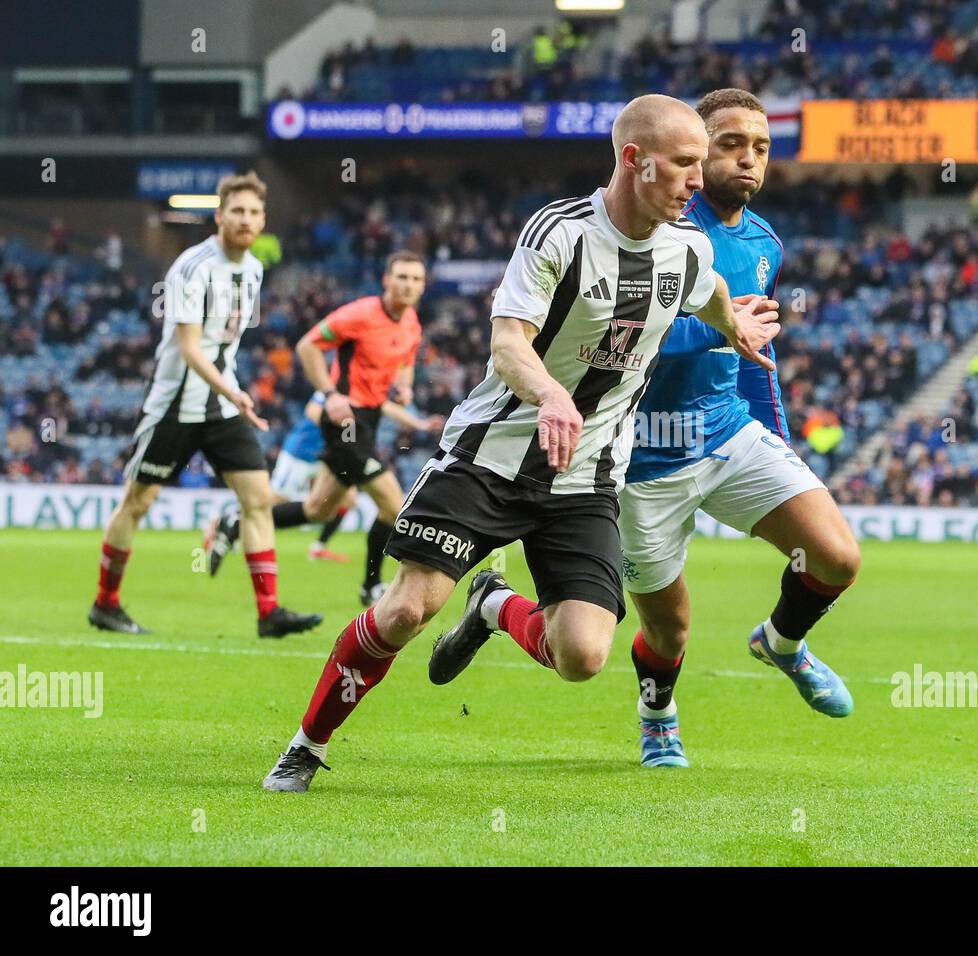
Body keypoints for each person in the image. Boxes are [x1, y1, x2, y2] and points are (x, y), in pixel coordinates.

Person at [261, 93, 779, 792]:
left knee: (583, 656)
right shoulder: (559, 231)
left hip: (587, 477)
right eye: (684, 163)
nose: (698, 179)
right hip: (493, 457)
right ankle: (307, 744)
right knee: (408, 608)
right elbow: (508, 342)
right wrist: (551, 393)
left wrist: (733, 328)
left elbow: (709, 287)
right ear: (634, 160)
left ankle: (495, 607)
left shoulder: (687, 247)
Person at [619, 89, 861, 767]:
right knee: (669, 631)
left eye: (759, 146)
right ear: (695, 152)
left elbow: (755, 349)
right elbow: (623, 342)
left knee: (836, 556)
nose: (747, 158)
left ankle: (781, 644)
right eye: (730, 143)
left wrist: (774, 435)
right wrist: (720, 329)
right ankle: (658, 715)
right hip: (645, 458)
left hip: (727, 433)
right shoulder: (654, 229)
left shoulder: (763, 242)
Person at [89, 171, 322, 638]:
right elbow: (192, 348)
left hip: (221, 405)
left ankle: (269, 612)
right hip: (176, 402)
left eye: (254, 212)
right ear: (219, 216)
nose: (246, 219)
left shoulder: (253, 269)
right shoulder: (192, 268)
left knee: (257, 500)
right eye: (237, 211)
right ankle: (105, 603)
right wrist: (234, 390)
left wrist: (231, 392)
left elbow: (224, 343)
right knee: (138, 502)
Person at [209, 251, 427, 606]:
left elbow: (406, 360)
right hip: (345, 421)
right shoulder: (360, 314)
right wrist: (329, 394)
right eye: (402, 277)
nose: (408, 285)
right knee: (394, 507)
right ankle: (371, 586)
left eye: (416, 279)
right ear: (386, 280)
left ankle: (236, 521)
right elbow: (308, 344)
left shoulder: (411, 322)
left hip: (369, 420)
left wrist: (404, 387)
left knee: (317, 509)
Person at [205, 389, 439, 569]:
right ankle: (230, 519)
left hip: (332, 454)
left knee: (346, 501)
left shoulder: (364, 387)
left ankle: (318, 546)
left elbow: (384, 406)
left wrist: (420, 423)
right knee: (277, 498)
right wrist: (337, 425)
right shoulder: (336, 385)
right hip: (301, 453)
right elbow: (312, 411)